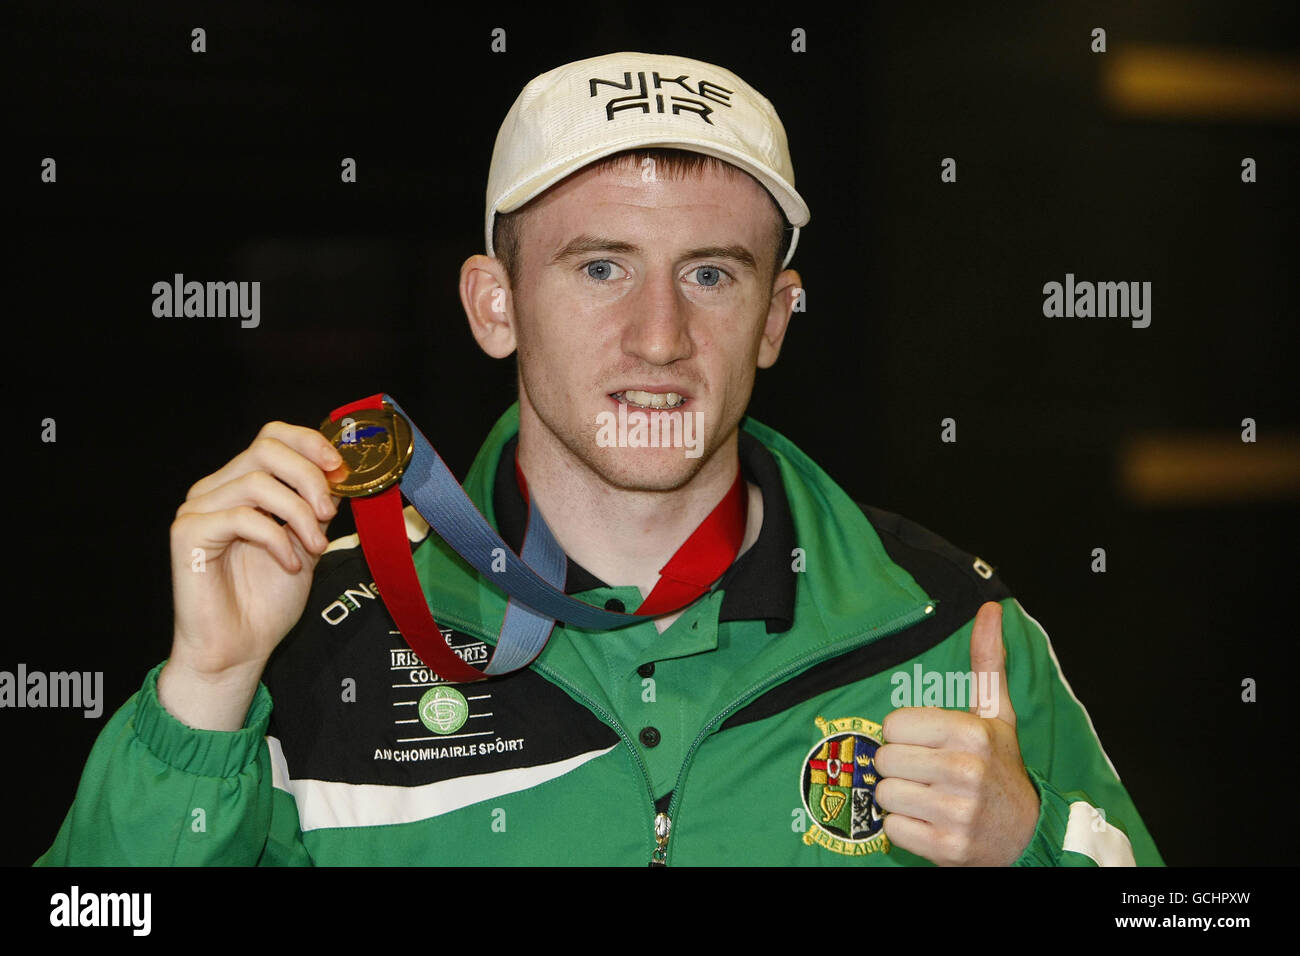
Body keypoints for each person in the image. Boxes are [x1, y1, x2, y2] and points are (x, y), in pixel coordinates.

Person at [37, 51, 1162, 866]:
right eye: (600, 268)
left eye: (712, 274)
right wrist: (205, 692)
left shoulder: (950, 633)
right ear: (494, 304)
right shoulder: (309, 637)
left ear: (776, 317)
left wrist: (1035, 849)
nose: (661, 337)